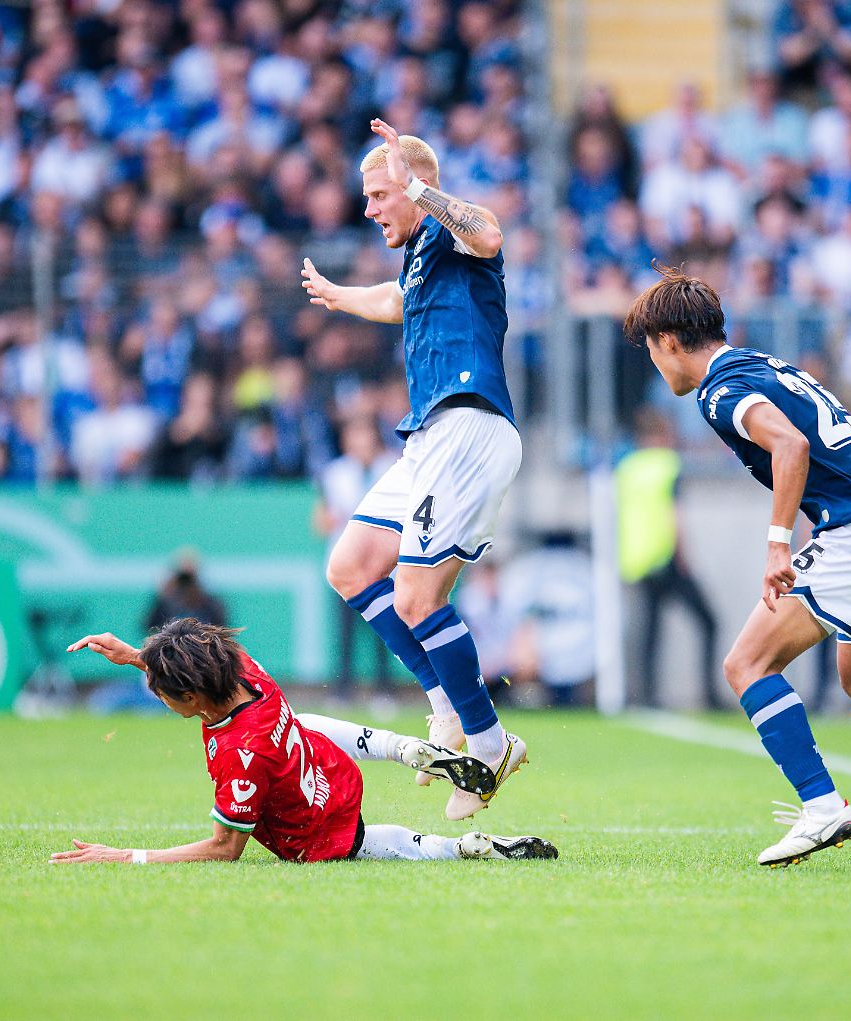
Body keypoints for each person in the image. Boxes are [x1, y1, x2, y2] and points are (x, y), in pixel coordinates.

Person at [623, 267, 851, 870]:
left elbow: (792, 446)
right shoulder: (764, 364)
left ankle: (821, 806)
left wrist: (779, 542)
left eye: (651, 351)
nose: (657, 365)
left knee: (747, 663)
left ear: (669, 341)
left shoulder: (719, 390)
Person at [300, 119, 525, 820]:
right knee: (351, 565)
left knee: (415, 598)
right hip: (428, 434)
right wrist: (339, 296)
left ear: (411, 184)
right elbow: (397, 302)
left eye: (377, 195)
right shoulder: (423, 257)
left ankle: (488, 743)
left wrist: (422, 185)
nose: (368, 210)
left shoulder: (454, 230)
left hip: (468, 424)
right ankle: (444, 704)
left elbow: (489, 233)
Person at [54, 619, 557, 864]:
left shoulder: (238, 754)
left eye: (162, 692)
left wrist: (125, 856)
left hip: (310, 831)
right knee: (300, 719)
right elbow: (199, 665)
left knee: (379, 843)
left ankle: (455, 849)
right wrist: (138, 656)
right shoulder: (244, 670)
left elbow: (225, 848)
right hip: (331, 768)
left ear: (189, 695)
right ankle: (399, 748)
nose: (159, 699)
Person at [615, 408, 719, 708]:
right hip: (665, 556)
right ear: (661, 435)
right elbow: (674, 514)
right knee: (708, 622)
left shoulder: (627, 467)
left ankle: (645, 696)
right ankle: (709, 694)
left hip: (637, 559)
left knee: (648, 631)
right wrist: (683, 554)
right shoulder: (667, 464)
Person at [313, 416, 399, 701]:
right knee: (345, 634)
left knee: (383, 631)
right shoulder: (334, 473)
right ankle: (342, 691)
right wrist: (333, 519)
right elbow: (320, 520)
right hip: (347, 565)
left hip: (383, 565)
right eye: (353, 434)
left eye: (364, 434)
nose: (359, 442)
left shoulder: (393, 467)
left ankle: (384, 692)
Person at [145, 550, 227, 632]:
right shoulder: (165, 604)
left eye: (190, 581)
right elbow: (150, 627)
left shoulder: (211, 605)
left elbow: (221, 628)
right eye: (183, 582)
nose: (187, 587)